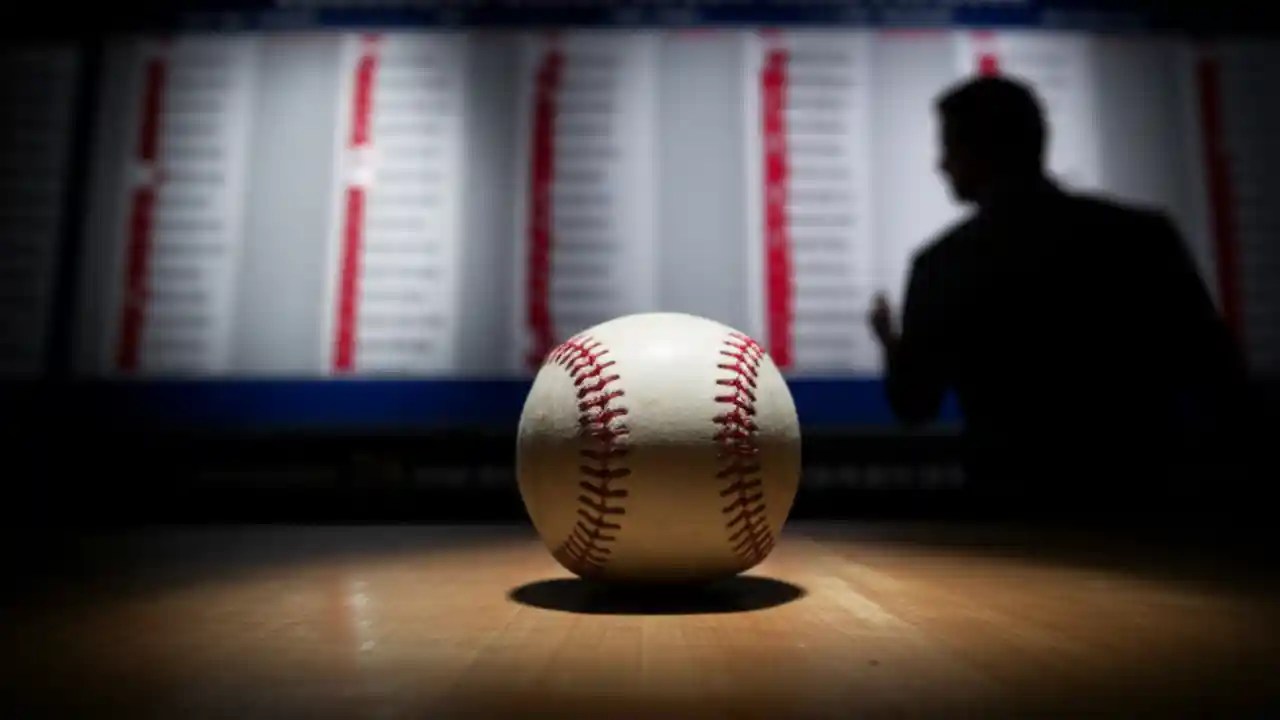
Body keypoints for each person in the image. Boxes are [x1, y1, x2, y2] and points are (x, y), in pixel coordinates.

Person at [868, 75, 1250, 505]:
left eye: (950, 146)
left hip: (1012, 515)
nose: (941, 164)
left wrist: (889, 341)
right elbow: (1220, 381)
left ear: (981, 151)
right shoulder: (1142, 237)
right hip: (1146, 503)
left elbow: (915, 405)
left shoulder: (942, 264)